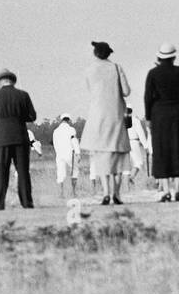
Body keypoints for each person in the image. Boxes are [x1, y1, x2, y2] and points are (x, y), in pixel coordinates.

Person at [0, 68, 37, 209]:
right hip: (20, 137)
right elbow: (32, 116)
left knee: (2, 172)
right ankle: (27, 202)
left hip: (2, 139)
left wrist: (0, 121)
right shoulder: (23, 95)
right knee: (23, 171)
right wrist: (18, 118)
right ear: (12, 81)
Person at [82, 41, 131, 205]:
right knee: (118, 154)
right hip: (115, 116)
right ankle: (116, 193)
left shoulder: (89, 70)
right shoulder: (117, 68)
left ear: (95, 54)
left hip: (97, 117)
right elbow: (126, 91)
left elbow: (90, 91)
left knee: (101, 156)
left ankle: (106, 192)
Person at [144, 42, 179, 202]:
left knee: (162, 151)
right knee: (177, 149)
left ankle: (166, 191)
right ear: (174, 57)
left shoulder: (153, 73)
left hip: (159, 114)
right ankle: (177, 191)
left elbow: (148, 96)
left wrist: (148, 117)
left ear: (159, 57)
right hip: (176, 112)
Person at [52, 114, 81, 197]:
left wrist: (58, 152)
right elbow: (74, 141)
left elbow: (55, 143)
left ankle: (61, 193)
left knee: (60, 173)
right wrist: (78, 153)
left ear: (61, 120)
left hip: (60, 154)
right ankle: (73, 192)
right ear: (69, 120)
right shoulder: (71, 129)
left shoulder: (56, 131)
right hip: (70, 154)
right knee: (74, 172)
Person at [125, 107, 147, 187]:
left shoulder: (121, 120)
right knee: (138, 162)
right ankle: (131, 177)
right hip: (134, 142)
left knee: (126, 165)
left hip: (124, 143)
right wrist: (145, 145)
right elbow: (140, 133)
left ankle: (126, 185)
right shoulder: (135, 120)